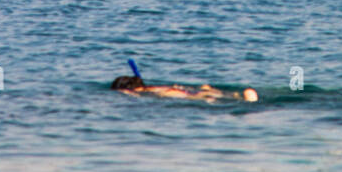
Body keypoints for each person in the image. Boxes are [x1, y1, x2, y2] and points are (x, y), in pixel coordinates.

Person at [110, 73, 257, 103]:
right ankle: (238, 96)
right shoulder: (151, 87)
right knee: (207, 92)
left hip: (177, 94)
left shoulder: (144, 92)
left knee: (202, 97)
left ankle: (243, 98)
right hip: (185, 89)